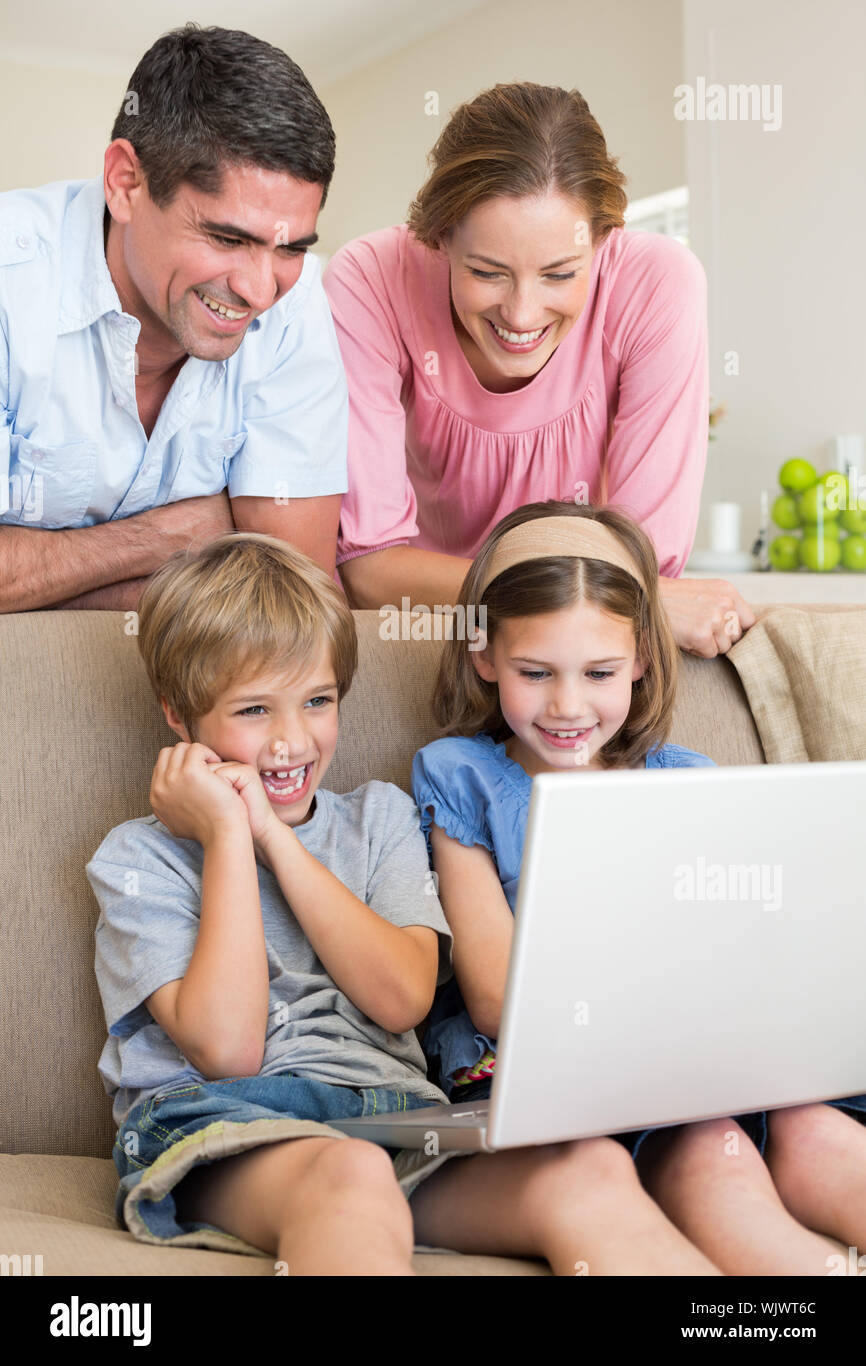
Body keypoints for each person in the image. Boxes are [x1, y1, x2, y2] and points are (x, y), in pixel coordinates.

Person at [85, 531, 719, 1276]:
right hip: (221, 1122)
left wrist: (274, 840)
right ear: (177, 713)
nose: (292, 742)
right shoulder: (139, 859)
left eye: (317, 701)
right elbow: (228, 1052)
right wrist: (227, 836)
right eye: (254, 710)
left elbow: (402, 999)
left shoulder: (377, 818)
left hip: (395, 1114)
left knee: (591, 1170)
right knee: (348, 1177)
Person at [411, 498, 866, 1275]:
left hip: (701, 1056)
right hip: (560, 1076)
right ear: (484, 656)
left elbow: (746, 950)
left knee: (818, 1132)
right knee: (716, 1164)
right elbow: (495, 998)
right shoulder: (461, 777)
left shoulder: (687, 780)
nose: (567, 705)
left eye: (600, 673)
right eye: (535, 673)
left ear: (643, 662)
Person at [323, 81, 754, 658]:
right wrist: (617, 595)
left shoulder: (657, 285)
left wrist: (629, 595)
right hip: (426, 634)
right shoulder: (372, 279)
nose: (522, 314)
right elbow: (370, 572)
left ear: (602, 242)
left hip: (581, 648)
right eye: (487, 271)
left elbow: (645, 565)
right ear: (441, 237)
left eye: (559, 274)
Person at [0, 24, 348, 613]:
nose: (261, 290)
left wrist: (38, 582)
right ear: (125, 183)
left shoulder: (298, 301)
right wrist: (166, 538)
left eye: (290, 247)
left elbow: (292, 602)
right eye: (225, 237)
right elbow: (246, 585)